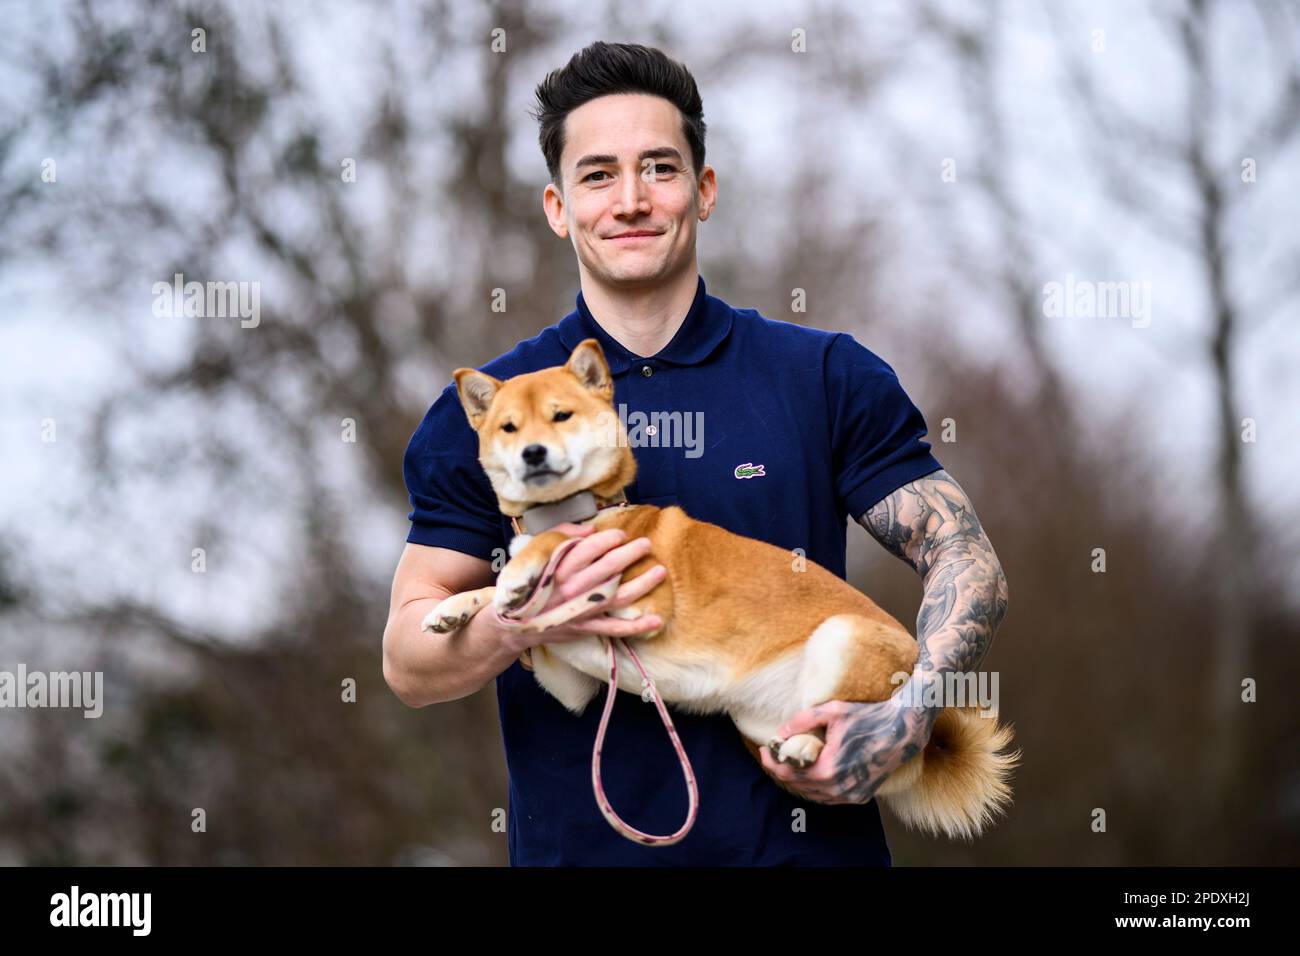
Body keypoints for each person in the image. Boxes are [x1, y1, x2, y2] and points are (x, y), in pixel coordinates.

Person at [382, 41, 1009, 866]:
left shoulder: (821, 375)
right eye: (598, 174)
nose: (632, 199)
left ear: (703, 191)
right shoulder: (496, 411)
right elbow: (405, 659)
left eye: (661, 169)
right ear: (557, 206)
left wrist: (914, 712)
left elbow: (966, 557)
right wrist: (514, 620)